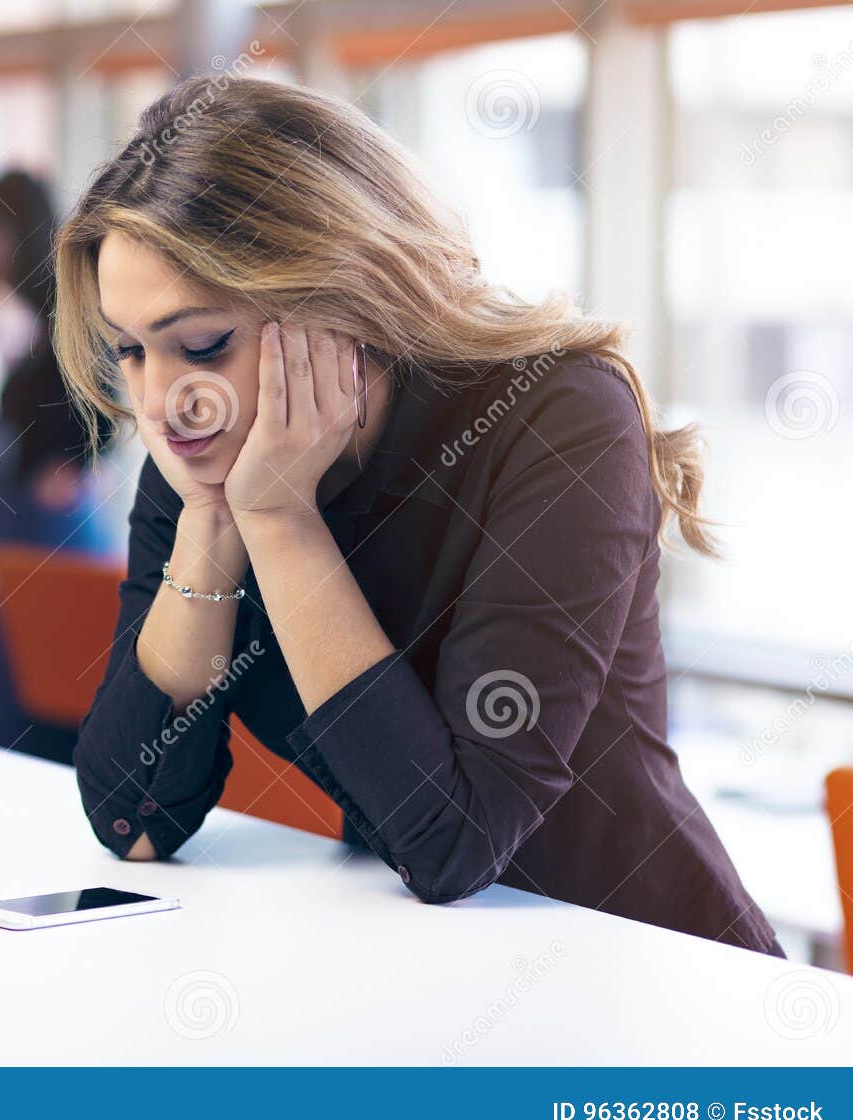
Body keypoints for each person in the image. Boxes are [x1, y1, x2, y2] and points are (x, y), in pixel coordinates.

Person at [53, 76, 780, 957]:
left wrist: (279, 520)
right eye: (130, 351)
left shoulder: (557, 418)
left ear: (338, 299)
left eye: (202, 344)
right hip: (433, 982)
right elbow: (133, 819)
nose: (164, 401)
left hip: (657, 977)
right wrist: (212, 527)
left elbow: (452, 843)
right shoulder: (208, 458)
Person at [0, 171, 111, 552]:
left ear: (22, 227)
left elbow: (105, 406)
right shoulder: (24, 320)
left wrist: (74, 467)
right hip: (22, 511)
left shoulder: (70, 307)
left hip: (52, 521)